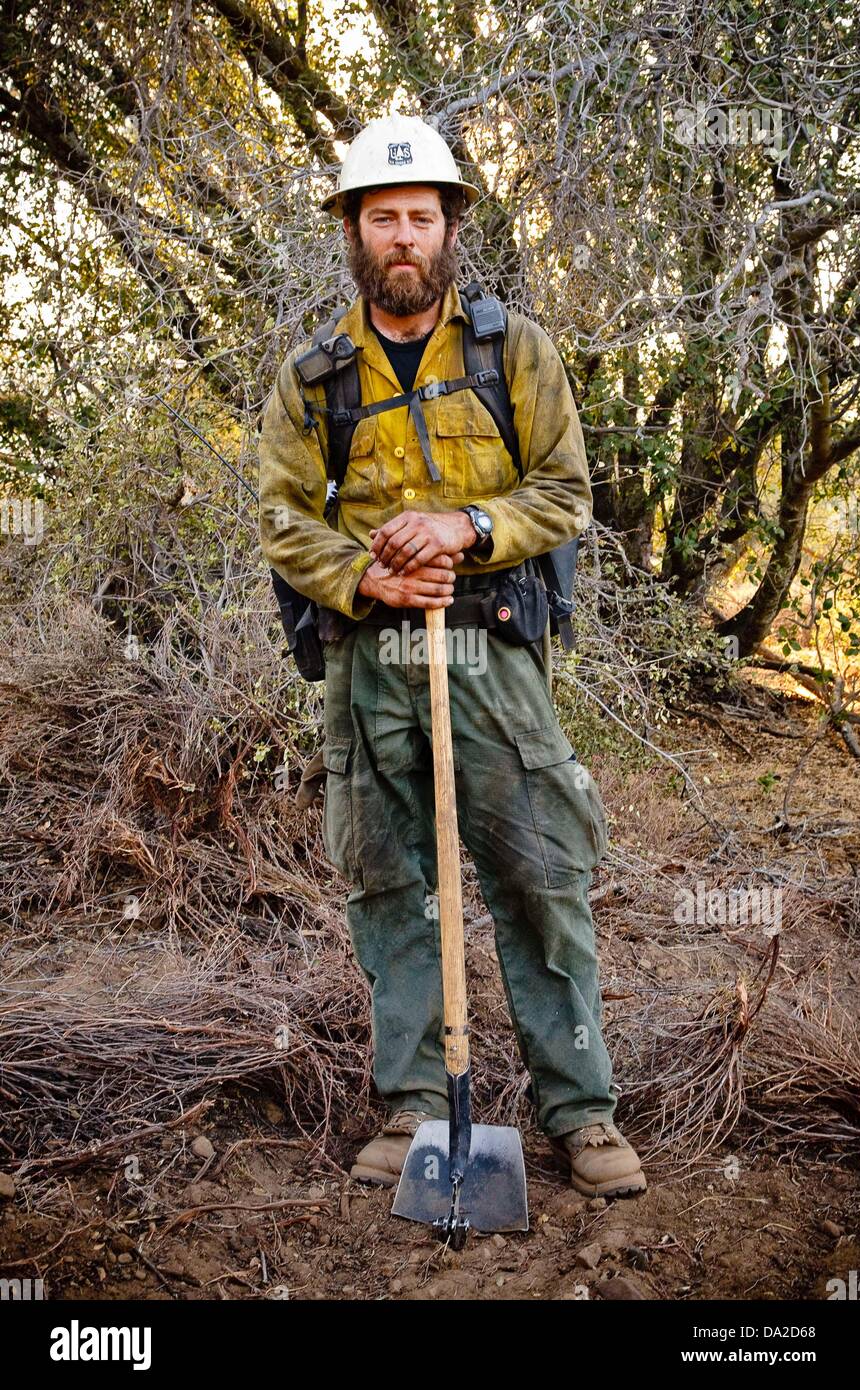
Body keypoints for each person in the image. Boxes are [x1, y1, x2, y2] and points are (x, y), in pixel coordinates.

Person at [258, 114, 646, 1200]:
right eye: (380, 218)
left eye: (419, 217)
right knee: (391, 888)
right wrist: (366, 575)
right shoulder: (310, 377)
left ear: (449, 226)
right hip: (368, 662)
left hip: (493, 660)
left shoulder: (509, 349)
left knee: (537, 876)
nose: (401, 237)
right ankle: (416, 1108)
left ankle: (581, 1112)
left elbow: (562, 493)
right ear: (351, 230)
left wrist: (463, 530)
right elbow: (282, 519)